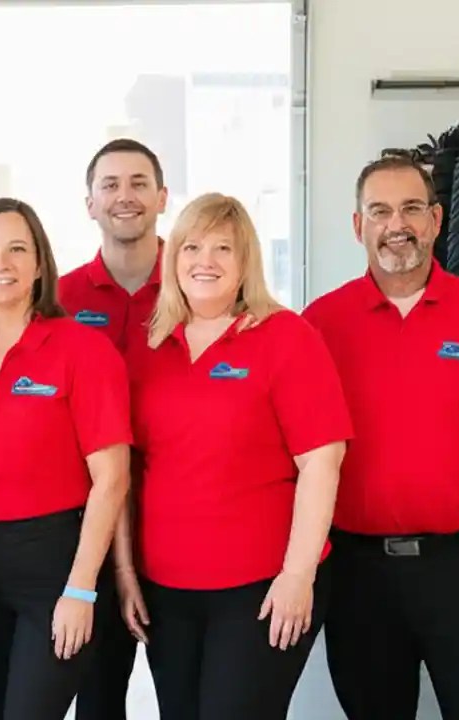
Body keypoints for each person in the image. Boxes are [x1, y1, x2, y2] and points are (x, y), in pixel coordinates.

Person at [302, 153, 459, 720]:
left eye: (412, 208)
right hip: (356, 574)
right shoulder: (319, 326)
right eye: (381, 210)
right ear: (358, 226)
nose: (398, 225)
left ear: (437, 220)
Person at [121, 193, 351, 719]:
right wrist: (126, 570)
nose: (206, 261)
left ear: (246, 260)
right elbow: (129, 472)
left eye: (224, 247)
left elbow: (322, 460)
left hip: (260, 588)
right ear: (173, 257)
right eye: (193, 246)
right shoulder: (151, 347)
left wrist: (298, 576)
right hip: (167, 590)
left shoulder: (286, 338)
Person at [0, 197, 131, 720]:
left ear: (40, 264)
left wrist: (81, 589)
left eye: (17, 249)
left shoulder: (82, 351)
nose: (1, 263)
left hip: (53, 561)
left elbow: (111, 479)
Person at [58, 138, 167, 720]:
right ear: (90, 203)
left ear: (162, 196)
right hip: (93, 528)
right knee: (99, 698)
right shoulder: (60, 297)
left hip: (183, 523)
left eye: (138, 183)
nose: (124, 196)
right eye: (110, 185)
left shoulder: (199, 282)